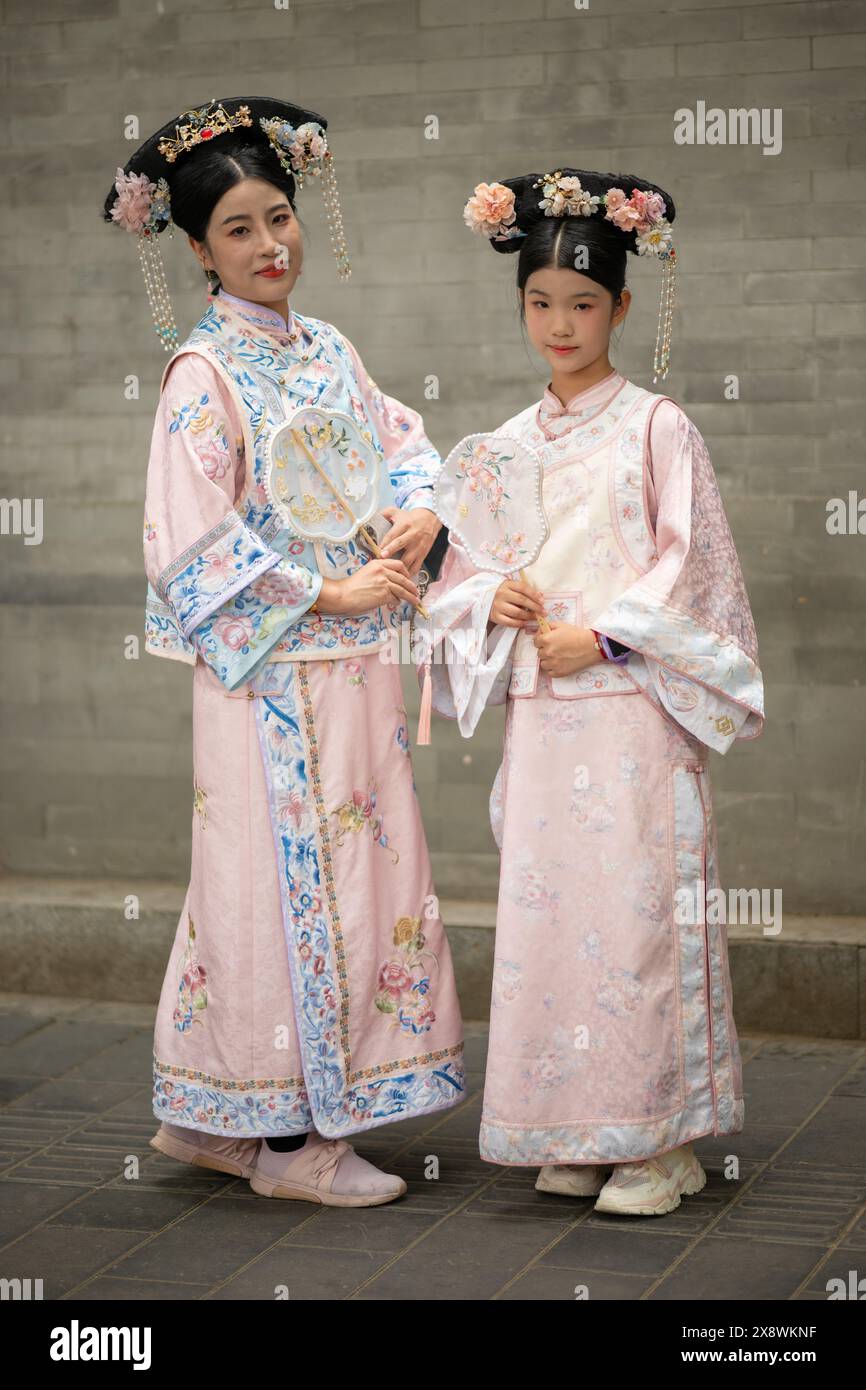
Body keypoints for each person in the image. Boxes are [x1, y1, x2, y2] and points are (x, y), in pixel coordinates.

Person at [102, 96, 465, 1208]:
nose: (269, 246)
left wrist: (422, 512)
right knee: (275, 886)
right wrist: (325, 589)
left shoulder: (328, 349)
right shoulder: (201, 375)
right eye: (238, 230)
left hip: (353, 671)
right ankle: (293, 1140)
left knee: (344, 880)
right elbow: (188, 542)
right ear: (198, 251)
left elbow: (401, 446)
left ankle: (218, 1117)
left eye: (279, 218)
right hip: (269, 678)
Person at [413, 168, 764, 1217]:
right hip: (543, 723)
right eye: (539, 302)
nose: (559, 325)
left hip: (633, 720)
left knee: (637, 925)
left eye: (581, 303)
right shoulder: (502, 448)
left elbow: (695, 572)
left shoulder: (658, 428)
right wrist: (490, 598)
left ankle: (661, 1142)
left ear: (620, 306)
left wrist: (603, 639)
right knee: (552, 929)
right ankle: (575, 1129)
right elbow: (454, 584)